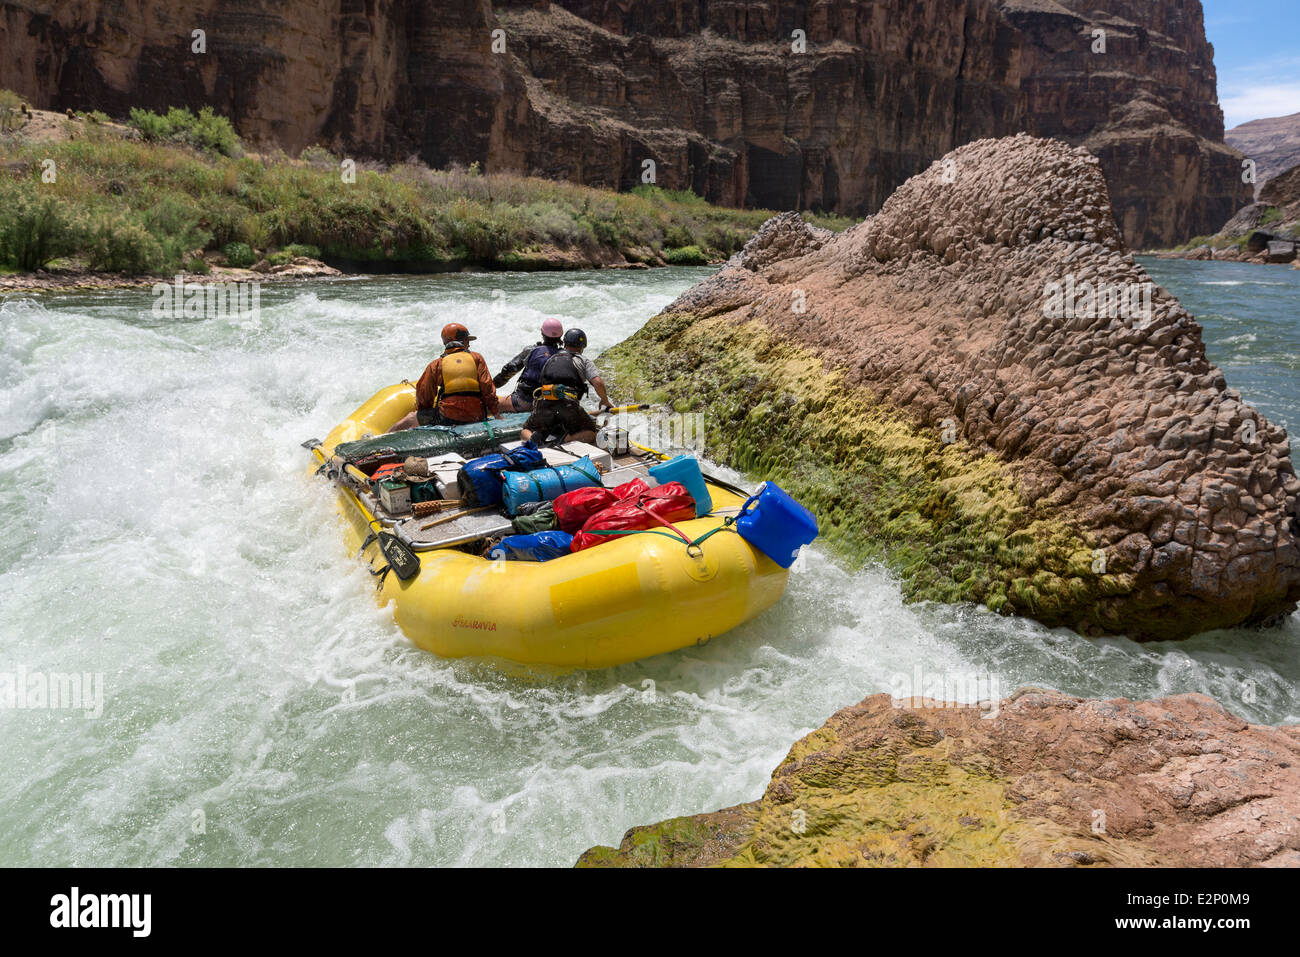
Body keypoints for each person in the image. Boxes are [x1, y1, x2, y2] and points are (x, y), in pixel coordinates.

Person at [389, 323, 501, 432]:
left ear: (445, 342)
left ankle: (382, 438)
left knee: (411, 417)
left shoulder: (436, 364)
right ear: (462, 341)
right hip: (477, 416)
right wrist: (496, 414)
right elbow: (488, 388)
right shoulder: (477, 358)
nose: (469, 344)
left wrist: (424, 411)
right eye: (467, 340)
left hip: (447, 418)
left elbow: (424, 395)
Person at [521, 328, 613, 445]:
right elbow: (598, 382)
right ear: (583, 346)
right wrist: (604, 400)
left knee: (526, 429)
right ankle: (563, 441)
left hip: (544, 401)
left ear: (564, 343)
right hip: (567, 404)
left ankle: (532, 441)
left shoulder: (551, 359)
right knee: (590, 432)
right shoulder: (583, 360)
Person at [493, 318, 563, 412]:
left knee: (490, 405)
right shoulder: (564, 355)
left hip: (523, 401)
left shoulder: (531, 350)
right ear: (560, 335)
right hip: (550, 403)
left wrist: (493, 386)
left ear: (542, 333)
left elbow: (510, 369)